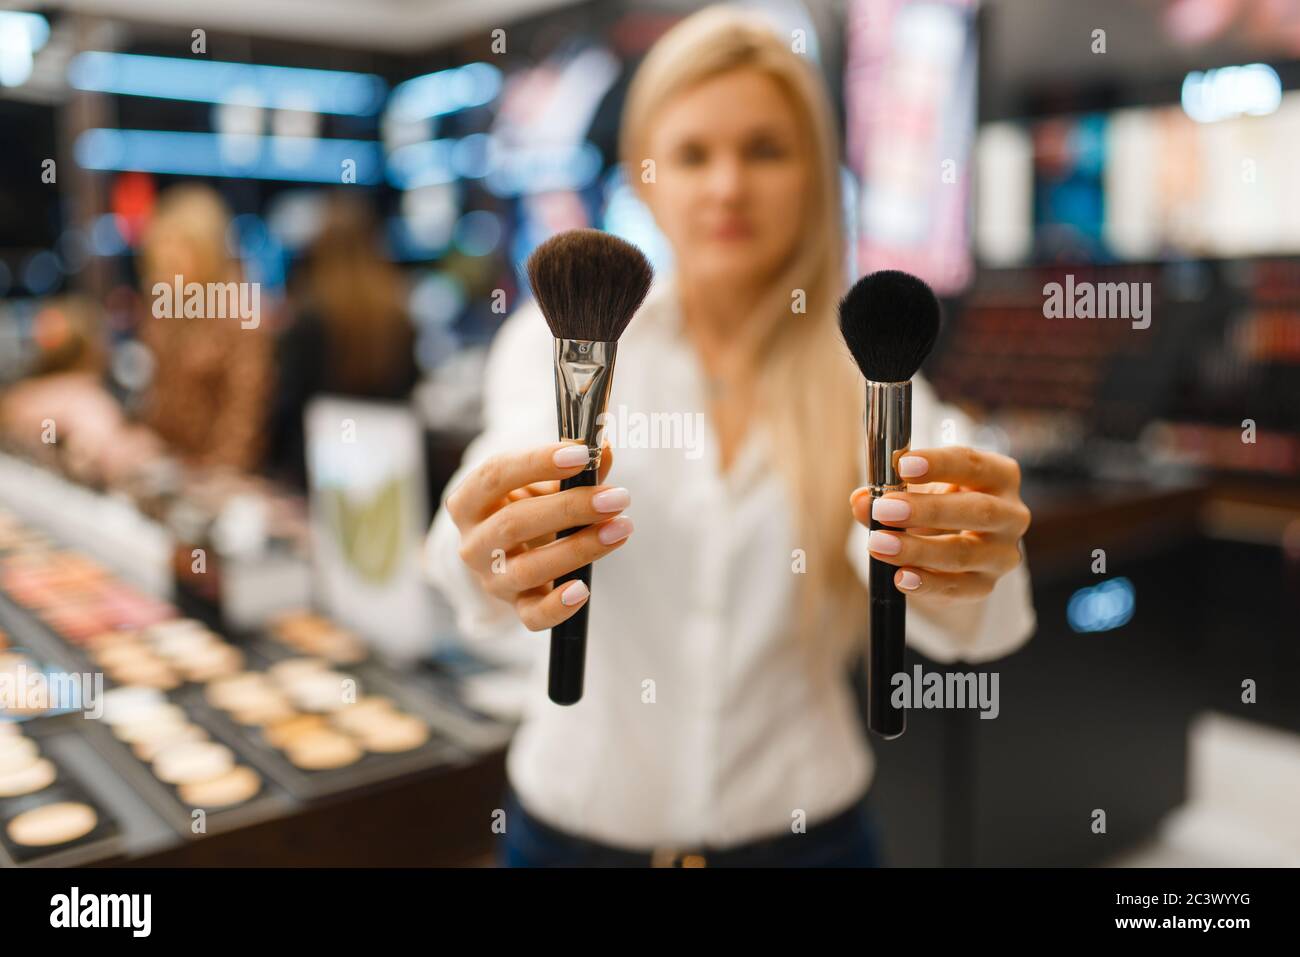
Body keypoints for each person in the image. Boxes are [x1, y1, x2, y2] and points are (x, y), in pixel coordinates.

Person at [424, 6, 1036, 867]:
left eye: (765, 150)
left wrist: (961, 555)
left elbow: (989, 621)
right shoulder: (561, 339)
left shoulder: (868, 358)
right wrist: (485, 552)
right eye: (692, 153)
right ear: (645, 176)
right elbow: (460, 564)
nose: (726, 187)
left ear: (817, 175)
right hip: (569, 834)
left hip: (807, 837)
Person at [267, 194, 418, 487]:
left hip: (317, 464)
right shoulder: (397, 312)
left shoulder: (308, 315)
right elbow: (409, 386)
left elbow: (289, 400)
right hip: (386, 461)